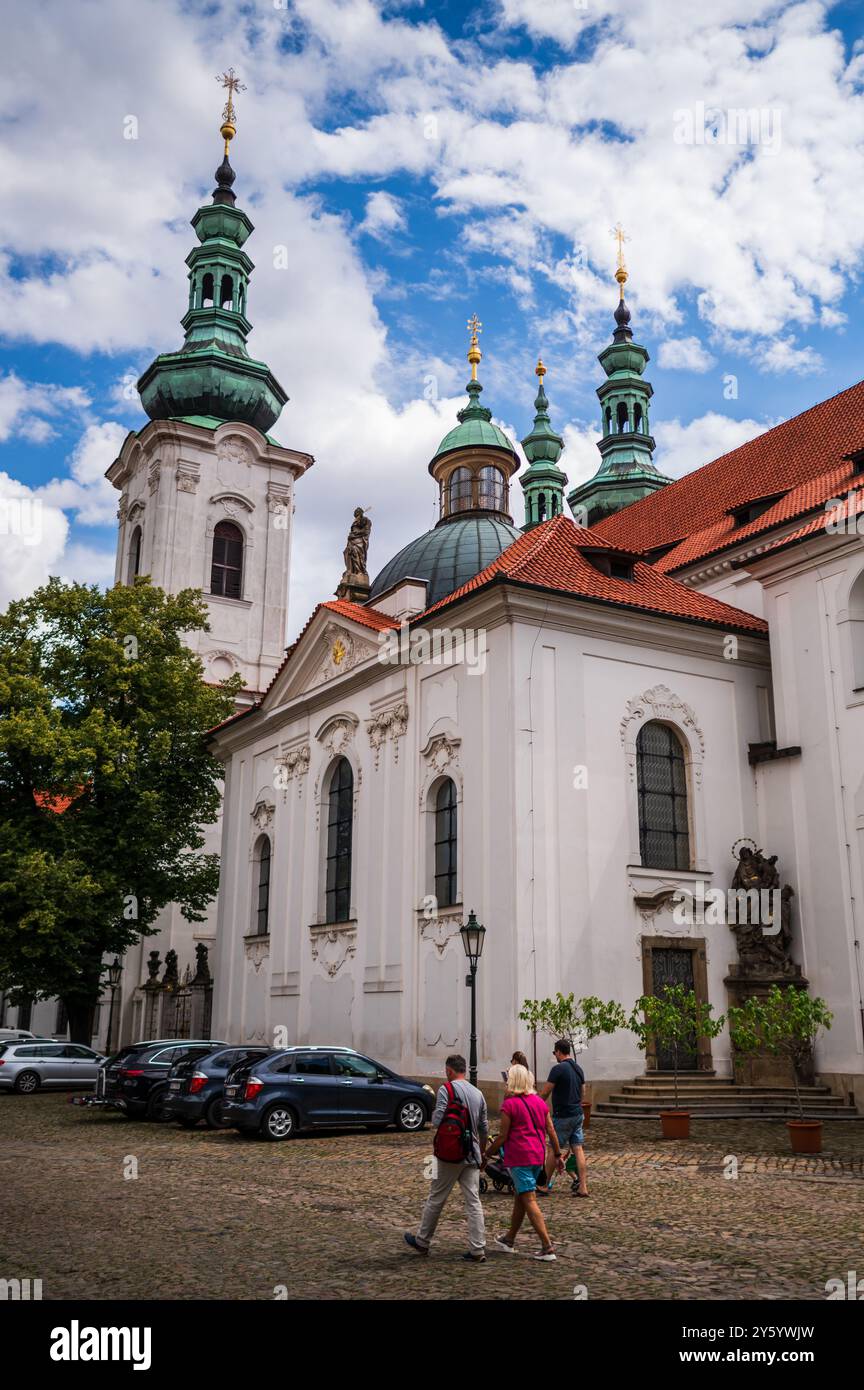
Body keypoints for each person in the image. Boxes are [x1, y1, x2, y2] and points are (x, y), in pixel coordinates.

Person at [404, 1053, 488, 1262]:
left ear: (450, 1071)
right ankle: (478, 1249)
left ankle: (423, 1241)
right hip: (472, 1152)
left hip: (450, 1154)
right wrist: (482, 1152)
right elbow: (484, 1127)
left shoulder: (446, 1089)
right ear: (465, 1070)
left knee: (436, 1197)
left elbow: (437, 1120)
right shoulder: (478, 1093)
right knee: (473, 1202)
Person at [484, 1063, 563, 1260]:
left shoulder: (509, 1105)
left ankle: (547, 1246)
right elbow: (551, 1130)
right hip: (538, 1156)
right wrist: (559, 1155)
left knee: (529, 1199)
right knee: (521, 1198)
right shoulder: (539, 1103)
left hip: (520, 1157)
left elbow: (502, 1137)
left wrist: (486, 1155)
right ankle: (509, 1239)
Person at [538, 1039, 588, 1197]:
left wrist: (535, 1104)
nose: (555, 1056)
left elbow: (546, 1092)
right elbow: (583, 1092)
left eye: (555, 1053)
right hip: (578, 1114)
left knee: (553, 1149)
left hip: (563, 1115)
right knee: (578, 1148)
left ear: (559, 1051)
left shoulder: (558, 1069)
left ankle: (544, 1185)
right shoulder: (579, 1069)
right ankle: (583, 1187)